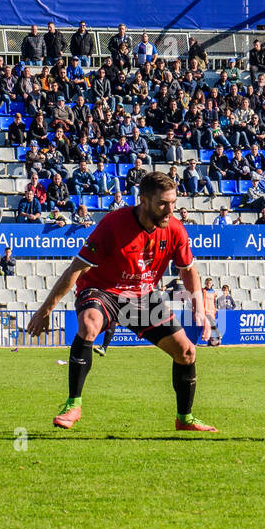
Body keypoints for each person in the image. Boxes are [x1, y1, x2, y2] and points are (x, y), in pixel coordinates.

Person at [26, 171, 217, 433]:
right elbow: (77, 268)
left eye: (173, 203)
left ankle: (184, 419)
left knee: (186, 352)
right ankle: (73, 404)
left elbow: (188, 270)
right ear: (144, 200)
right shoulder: (113, 224)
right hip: (103, 290)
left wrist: (200, 309)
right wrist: (45, 310)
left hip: (142, 297)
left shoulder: (174, 229)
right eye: (163, 203)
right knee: (90, 325)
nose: (170, 210)